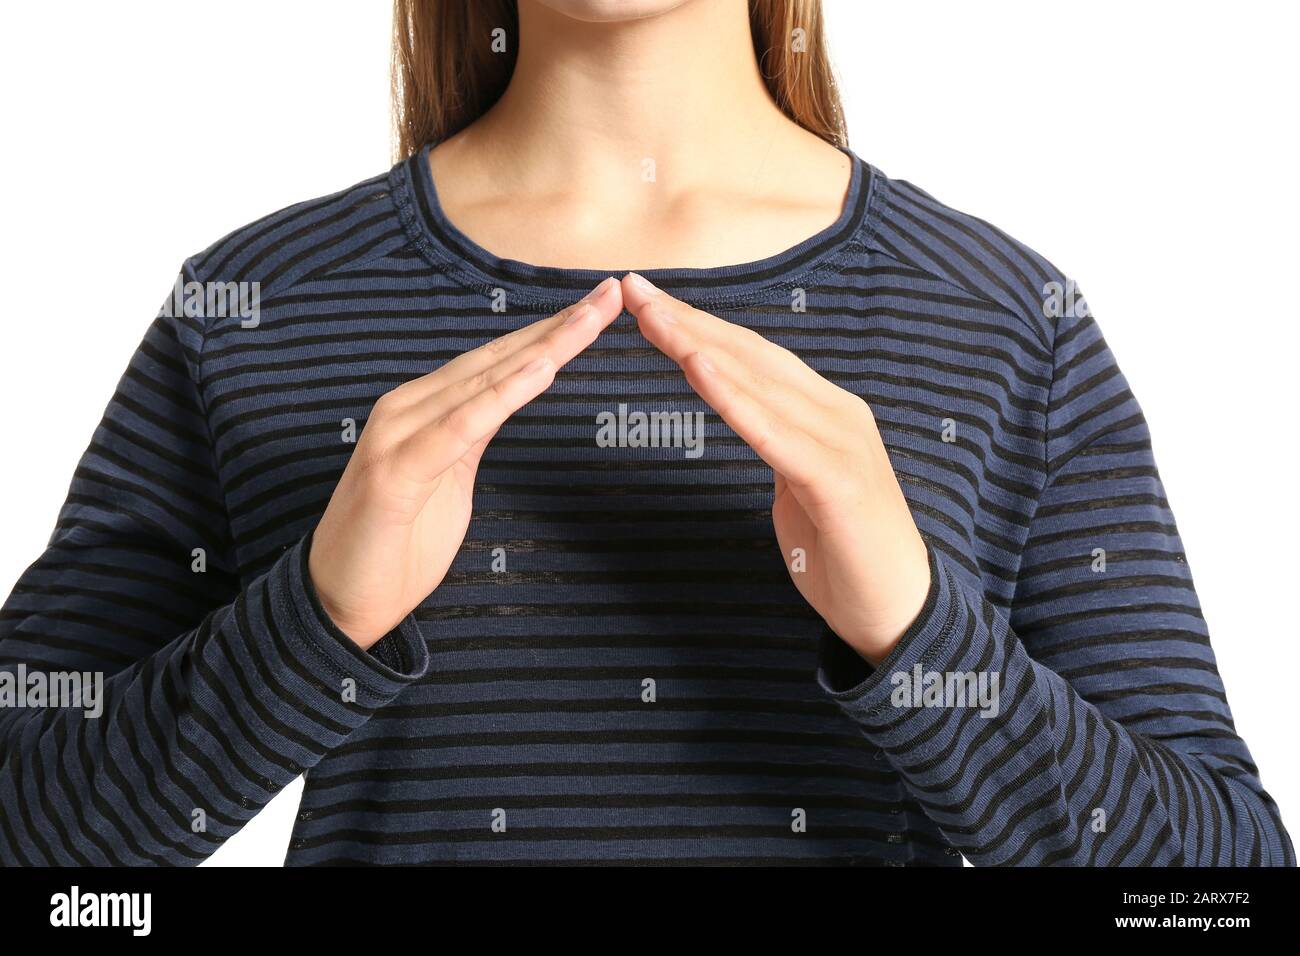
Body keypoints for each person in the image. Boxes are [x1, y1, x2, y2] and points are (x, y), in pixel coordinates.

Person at [0, 0, 1290, 866]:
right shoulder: (260, 304)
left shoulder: (1007, 320)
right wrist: (313, 625)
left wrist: (916, 631)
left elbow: (1217, 883)